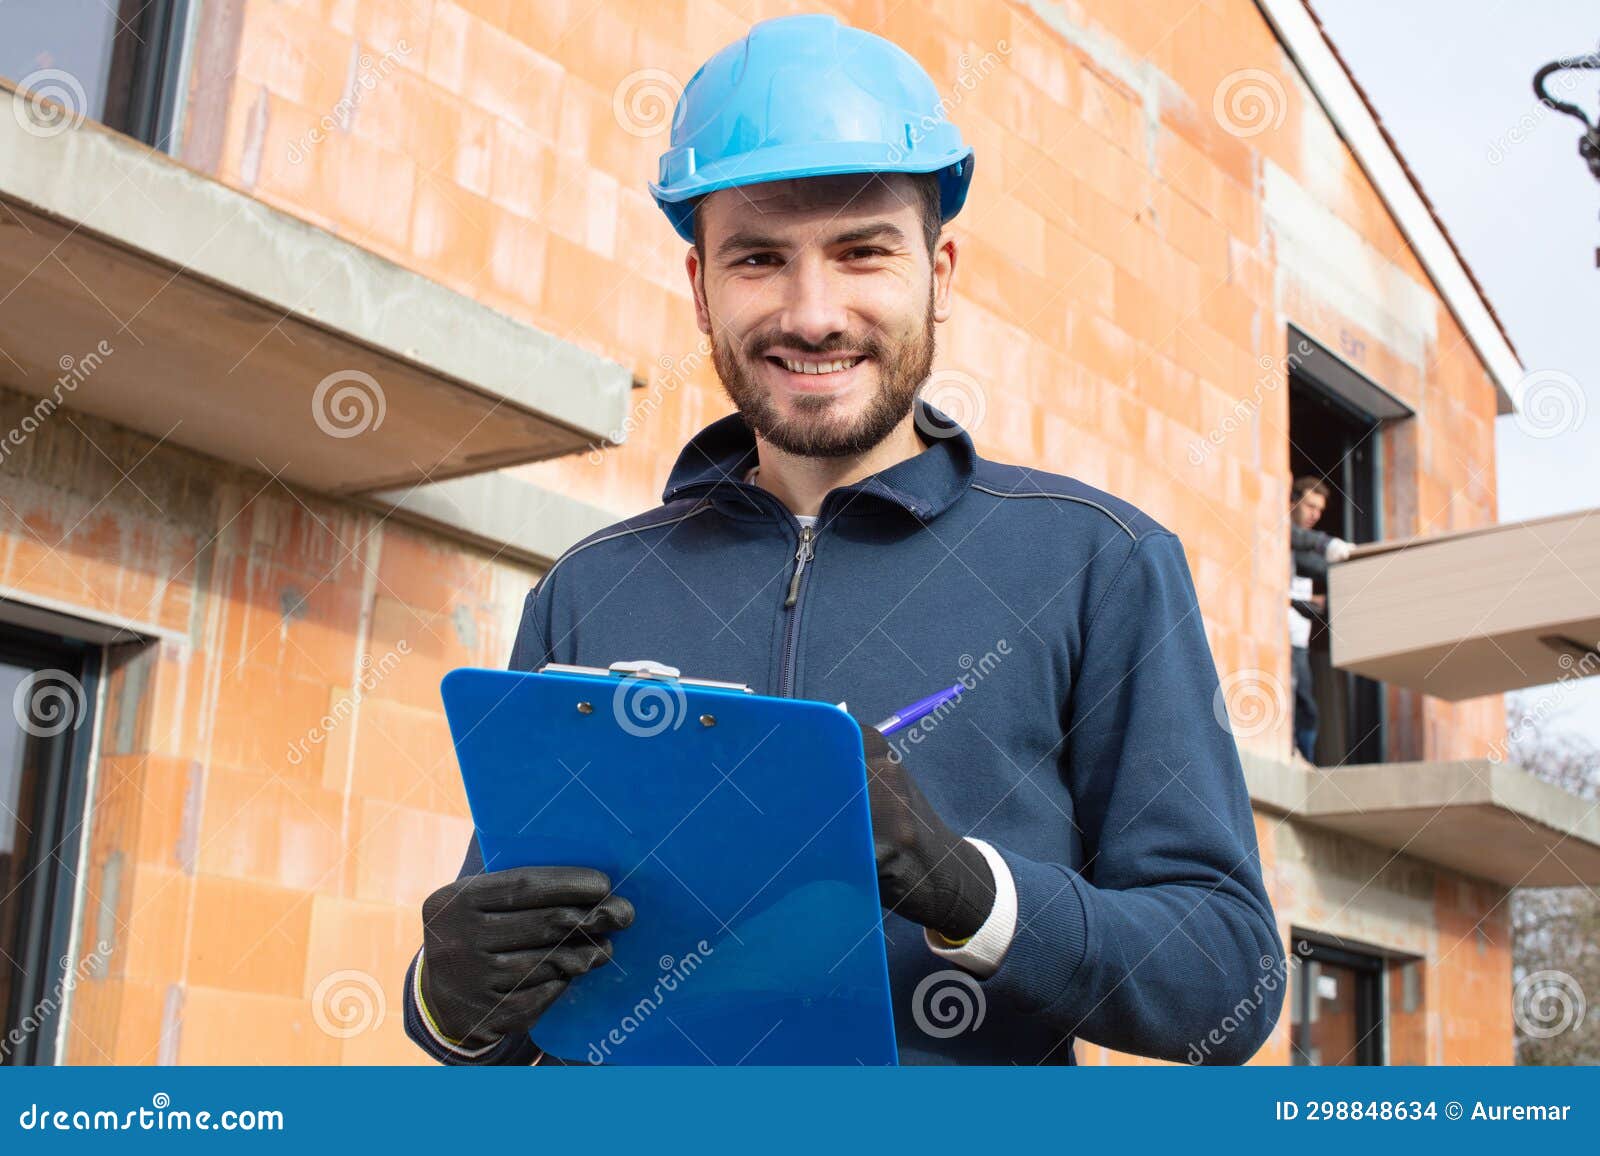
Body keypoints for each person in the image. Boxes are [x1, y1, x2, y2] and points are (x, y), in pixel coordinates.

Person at [403, 13, 1283, 1066]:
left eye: (861, 253)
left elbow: (1227, 978)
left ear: (939, 272)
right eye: (760, 259)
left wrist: (967, 886)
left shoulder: (1098, 565)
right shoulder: (591, 589)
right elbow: (503, 1017)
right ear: (701, 290)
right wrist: (446, 1002)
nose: (812, 313)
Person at [1287, 477, 1352, 763]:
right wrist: (1327, 543)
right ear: (1293, 501)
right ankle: (1296, 756)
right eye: (1310, 505)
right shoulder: (1281, 533)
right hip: (1284, 639)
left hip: (1299, 639)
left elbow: (1313, 566)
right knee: (1296, 702)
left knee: (1307, 706)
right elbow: (1293, 537)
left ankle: (1304, 758)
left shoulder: (1299, 549)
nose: (1315, 514)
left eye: (1320, 510)